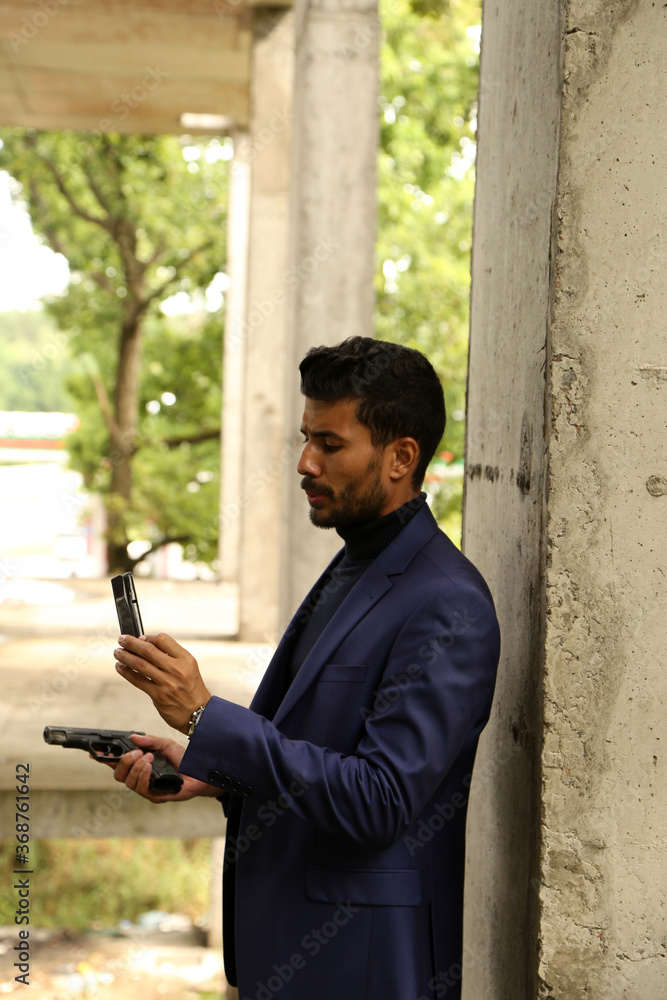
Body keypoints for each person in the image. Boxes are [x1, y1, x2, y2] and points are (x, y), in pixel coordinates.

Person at [110, 336, 500, 1000]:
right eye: (304, 438)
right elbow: (315, 753)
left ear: (401, 456)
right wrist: (210, 772)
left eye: (329, 443)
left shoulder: (448, 604)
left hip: (363, 968)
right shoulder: (355, 563)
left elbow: (380, 802)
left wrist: (206, 714)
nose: (303, 462)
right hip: (286, 955)